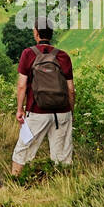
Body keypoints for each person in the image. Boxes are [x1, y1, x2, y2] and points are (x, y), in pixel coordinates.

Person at [11, 21, 75, 176]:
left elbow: (22, 86)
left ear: (36, 33)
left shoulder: (28, 54)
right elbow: (71, 89)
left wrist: (20, 109)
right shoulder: (63, 56)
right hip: (62, 112)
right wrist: (70, 111)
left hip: (37, 112)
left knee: (23, 150)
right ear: (51, 34)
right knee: (62, 155)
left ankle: (15, 183)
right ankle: (63, 185)